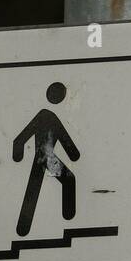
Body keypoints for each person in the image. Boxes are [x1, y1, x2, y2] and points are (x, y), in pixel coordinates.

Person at [13, 82, 80, 236]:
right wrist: (73, 154)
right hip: (45, 158)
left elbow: (64, 138)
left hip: (44, 158)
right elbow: (23, 136)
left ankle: (24, 227)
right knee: (66, 181)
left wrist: (18, 152)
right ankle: (24, 227)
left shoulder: (48, 116)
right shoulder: (45, 115)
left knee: (38, 186)